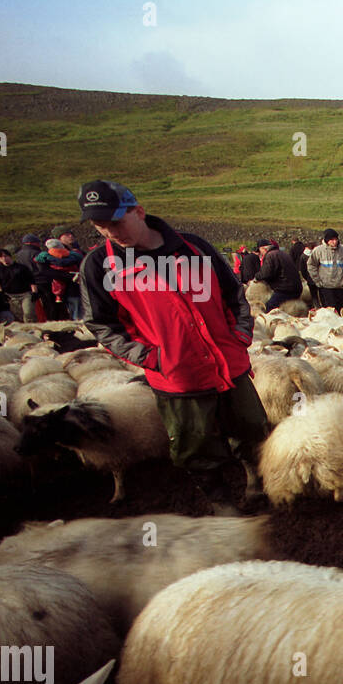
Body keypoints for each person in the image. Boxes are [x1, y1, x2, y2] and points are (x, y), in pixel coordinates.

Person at [76, 179, 268, 513]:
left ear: (138, 211)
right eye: (100, 226)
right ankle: (221, 502)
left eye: (116, 222)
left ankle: (255, 479)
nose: (111, 232)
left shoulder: (193, 248)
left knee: (250, 426)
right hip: (177, 374)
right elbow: (102, 325)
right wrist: (152, 357)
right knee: (194, 444)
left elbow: (233, 293)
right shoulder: (99, 266)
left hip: (228, 362)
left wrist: (239, 336)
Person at [306, 228, 343, 312]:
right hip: (326, 288)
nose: (334, 242)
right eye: (332, 240)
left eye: (336, 239)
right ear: (326, 240)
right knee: (330, 313)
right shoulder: (318, 251)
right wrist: (317, 280)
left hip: (342, 287)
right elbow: (311, 265)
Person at [34, 238, 83, 319]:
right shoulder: (75, 255)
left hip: (59, 289)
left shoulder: (43, 258)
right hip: (76, 287)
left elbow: (47, 272)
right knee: (78, 309)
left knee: (72, 310)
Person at [254, 238, 302, 312]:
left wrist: (256, 277)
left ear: (263, 248)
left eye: (260, 250)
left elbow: (266, 273)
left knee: (268, 309)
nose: (260, 253)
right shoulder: (282, 253)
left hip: (285, 289)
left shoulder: (270, 255)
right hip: (295, 287)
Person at [0, 248, 34, 320]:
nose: (4, 258)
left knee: (28, 314)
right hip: (10, 295)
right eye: (1, 257)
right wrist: (1, 292)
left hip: (25, 294)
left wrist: (34, 292)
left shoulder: (21, 267)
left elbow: (31, 280)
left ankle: (31, 328)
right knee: (18, 316)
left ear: (10, 256)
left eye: (5, 256)